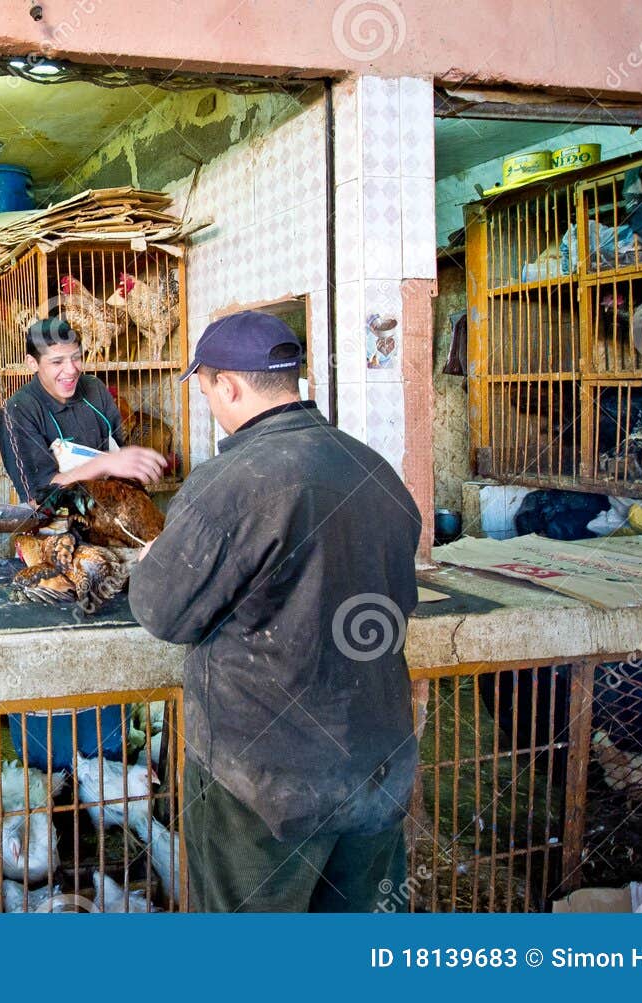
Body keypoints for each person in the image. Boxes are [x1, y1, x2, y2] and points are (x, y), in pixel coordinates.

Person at [129, 310, 422, 912]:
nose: (210, 401)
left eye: (206, 388)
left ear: (228, 386)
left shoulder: (229, 482)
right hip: (377, 764)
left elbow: (161, 612)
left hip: (267, 785)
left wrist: (162, 556)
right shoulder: (376, 469)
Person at [0, 317, 167, 504]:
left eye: (76, 358)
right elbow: (37, 500)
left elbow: (118, 451)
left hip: (107, 506)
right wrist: (104, 463)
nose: (71, 370)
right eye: (57, 362)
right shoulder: (17, 412)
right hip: (55, 523)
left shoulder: (95, 389)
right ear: (32, 363)